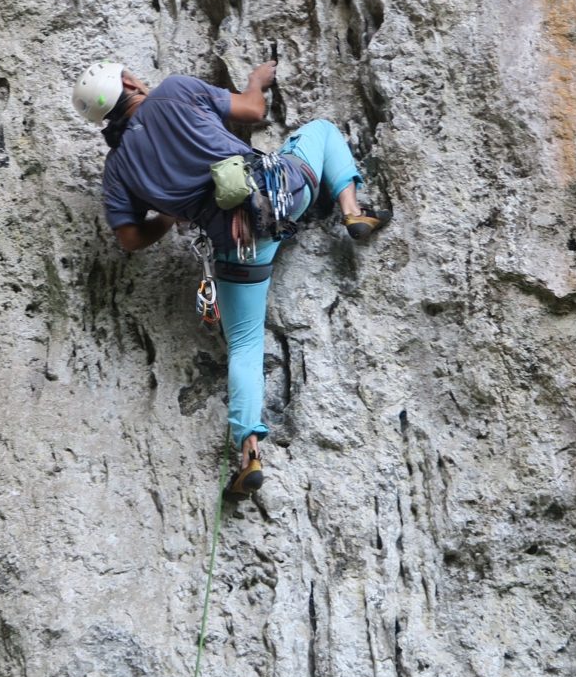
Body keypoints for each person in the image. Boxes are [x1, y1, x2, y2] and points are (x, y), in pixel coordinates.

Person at [71, 58, 386, 496]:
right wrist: (257, 80)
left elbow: (129, 238)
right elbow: (252, 111)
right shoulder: (176, 90)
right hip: (281, 195)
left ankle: (248, 451)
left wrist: (165, 215)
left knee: (244, 344)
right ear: (127, 81)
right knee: (321, 132)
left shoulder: (118, 170)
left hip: (237, 245)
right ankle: (353, 210)